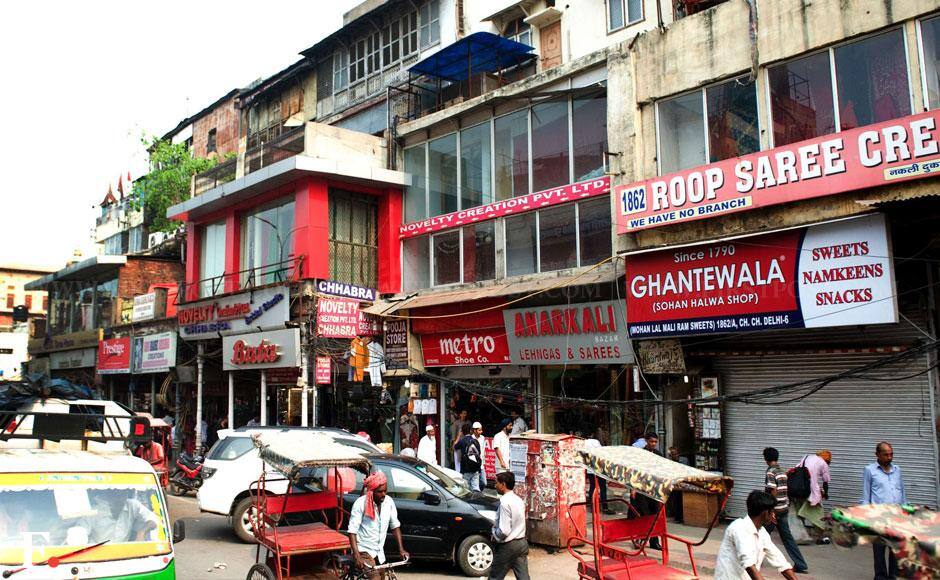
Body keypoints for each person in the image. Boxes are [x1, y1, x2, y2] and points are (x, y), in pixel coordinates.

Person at [714, 490, 799, 580]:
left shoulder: (762, 533)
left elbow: (780, 561)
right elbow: (749, 565)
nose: (774, 515)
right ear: (765, 513)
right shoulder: (738, 528)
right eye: (772, 511)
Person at [348, 471, 409, 579]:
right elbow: (352, 531)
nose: (383, 494)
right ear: (371, 491)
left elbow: (395, 526)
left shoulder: (389, 502)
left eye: (385, 491)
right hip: (363, 550)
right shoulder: (360, 503)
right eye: (380, 492)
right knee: (375, 578)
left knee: (382, 577)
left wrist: (401, 549)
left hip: (379, 552)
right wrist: (356, 555)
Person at [862, 441, 905, 580]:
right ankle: (880, 577)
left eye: (891, 454)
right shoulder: (870, 470)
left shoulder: (897, 470)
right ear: (877, 455)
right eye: (886, 454)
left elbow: (902, 492)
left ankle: (893, 576)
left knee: (895, 550)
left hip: (896, 517)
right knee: (879, 551)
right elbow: (866, 495)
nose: (889, 457)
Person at [763, 447, 808, 573]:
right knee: (787, 538)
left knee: (761, 534)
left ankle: (751, 561)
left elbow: (773, 491)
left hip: (775, 510)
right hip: (783, 508)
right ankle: (800, 564)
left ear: (766, 459)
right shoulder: (782, 471)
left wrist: (770, 511)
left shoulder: (771, 472)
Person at [489, 472, 529, 580]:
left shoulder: (505, 502)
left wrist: (495, 535)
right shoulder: (518, 500)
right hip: (521, 543)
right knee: (523, 577)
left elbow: (504, 530)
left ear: (503, 484)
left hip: (508, 546)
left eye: (496, 483)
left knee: (495, 576)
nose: (494, 485)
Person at [83, 490, 160, 543]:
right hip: (96, 556)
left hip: (123, 556)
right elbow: (79, 531)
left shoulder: (132, 505)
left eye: (123, 493)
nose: (119, 498)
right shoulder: (95, 510)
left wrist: (142, 532)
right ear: (108, 495)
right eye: (115, 494)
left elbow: (154, 520)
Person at [794, 450, 831, 542]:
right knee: (818, 514)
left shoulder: (807, 457)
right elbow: (825, 482)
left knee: (799, 513)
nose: (829, 464)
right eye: (829, 462)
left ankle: (798, 537)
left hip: (799, 490)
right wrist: (826, 493)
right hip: (811, 492)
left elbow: (797, 468)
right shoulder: (824, 463)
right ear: (827, 459)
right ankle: (821, 537)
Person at [583, 431, 611, 514]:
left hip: (590, 468)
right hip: (599, 468)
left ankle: (593, 506)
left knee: (593, 487)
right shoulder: (596, 442)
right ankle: (604, 507)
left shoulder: (584, 442)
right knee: (603, 487)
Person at [454, 423, 483, 491]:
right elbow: (479, 453)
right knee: (475, 487)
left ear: (462, 432)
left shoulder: (462, 441)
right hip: (476, 468)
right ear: (470, 431)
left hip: (466, 468)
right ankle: (477, 500)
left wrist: (458, 436)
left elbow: (454, 447)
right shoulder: (475, 441)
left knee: (466, 488)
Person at [472, 421, 487, 490]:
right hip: (474, 465)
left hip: (481, 464)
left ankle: (479, 493)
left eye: (481, 430)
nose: (481, 432)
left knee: (484, 482)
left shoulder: (482, 438)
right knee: (475, 483)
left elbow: (483, 450)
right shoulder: (470, 439)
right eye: (479, 430)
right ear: (474, 430)